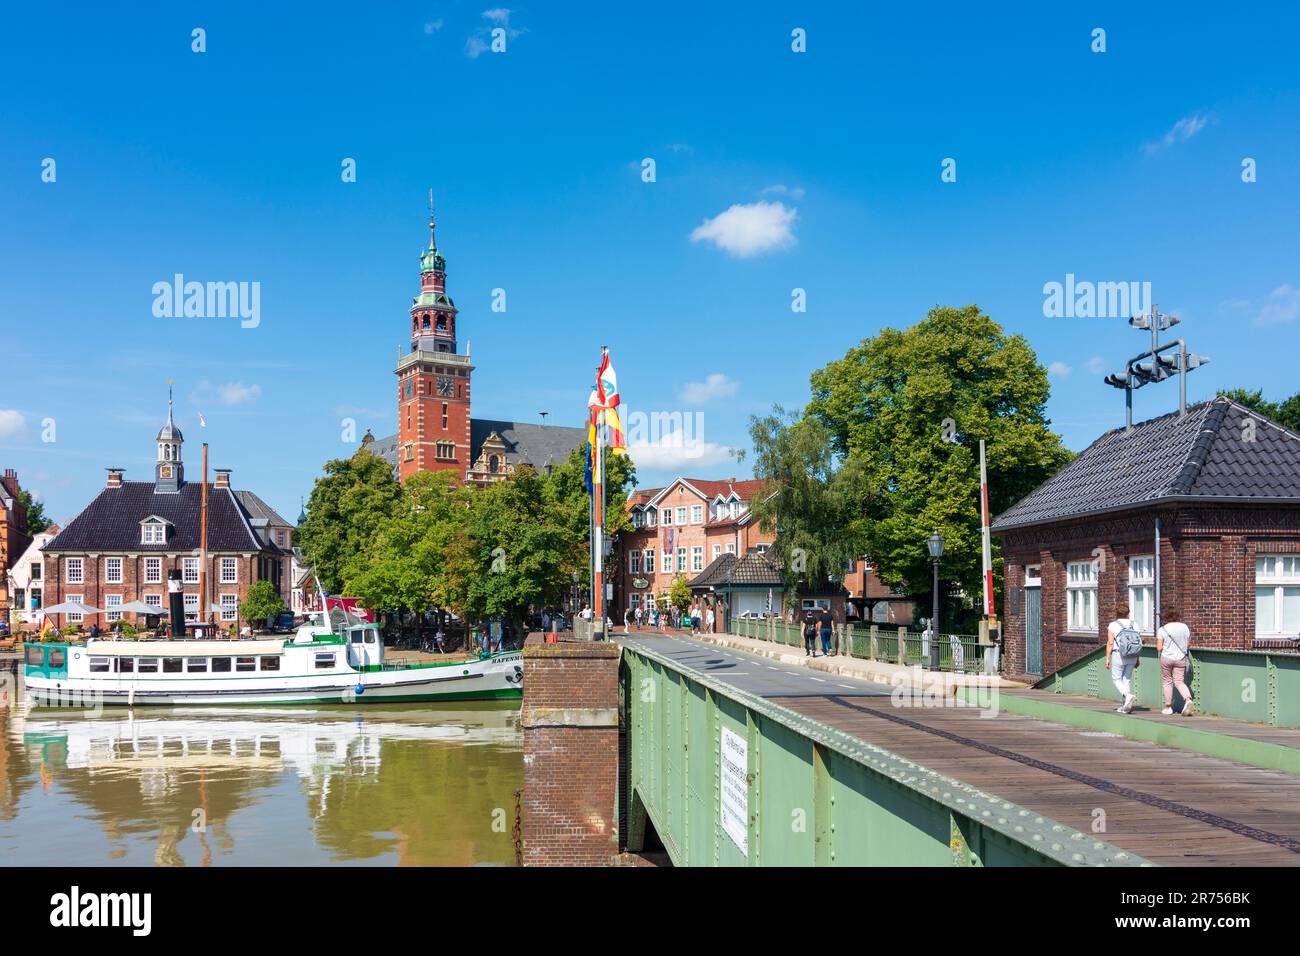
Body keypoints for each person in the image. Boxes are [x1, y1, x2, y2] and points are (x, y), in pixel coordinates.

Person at [1105, 602, 1143, 714]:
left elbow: (1110, 643)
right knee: (1127, 679)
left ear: (1116, 613)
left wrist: (1107, 658)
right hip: (1133, 654)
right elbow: (1137, 642)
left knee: (1116, 679)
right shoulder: (1135, 624)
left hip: (1119, 654)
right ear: (1128, 613)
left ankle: (1127, 696)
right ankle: (1126, 706)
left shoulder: (1113, 625)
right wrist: (1138, 658)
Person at [1156, 609, 1194, 716]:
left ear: (1165, 617)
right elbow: (1188, 644)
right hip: (1181, 658)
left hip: (1166, 658)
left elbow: (1159, 647)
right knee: (1179, 681)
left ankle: (1168, 707)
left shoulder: (1162, 629)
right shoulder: (1184, 627)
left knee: (1167, 681)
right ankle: (1187, 699)